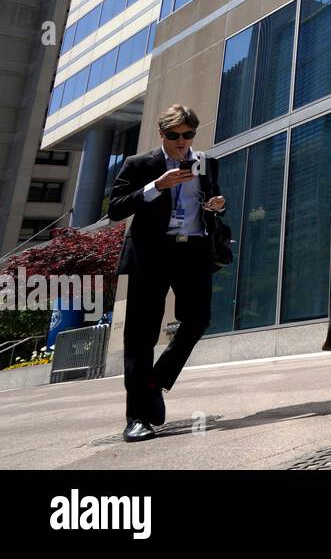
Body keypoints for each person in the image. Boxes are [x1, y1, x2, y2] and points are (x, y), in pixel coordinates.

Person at [108, 104, 226, 443]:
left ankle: (155, 381)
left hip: (193, 250)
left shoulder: (205, 162)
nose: (181, 141)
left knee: (198, 319)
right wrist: (156, 186)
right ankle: (137, 417)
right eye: (174, 135)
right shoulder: (140, 165)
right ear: (162, 134)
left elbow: (213, 201)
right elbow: (116, 208)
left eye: (188, 135)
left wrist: (218, 204)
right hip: (152, 254)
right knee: (141, 335)